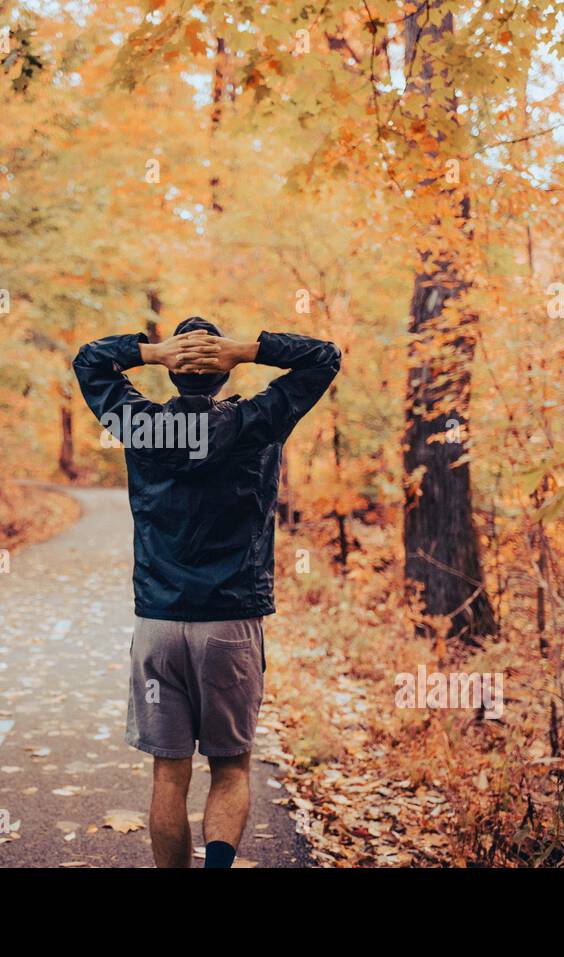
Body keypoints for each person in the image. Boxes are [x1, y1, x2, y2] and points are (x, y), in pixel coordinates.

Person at [72, 316, 341, 868]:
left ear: (175, 374)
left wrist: (150, 352)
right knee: (231, 767)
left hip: (159, 627)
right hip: (230, 626)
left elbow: (89, 361)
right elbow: (323, 357)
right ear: (220, 374)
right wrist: (246, 348)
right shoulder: (254, 422)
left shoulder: (142, 426)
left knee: (169, 773)